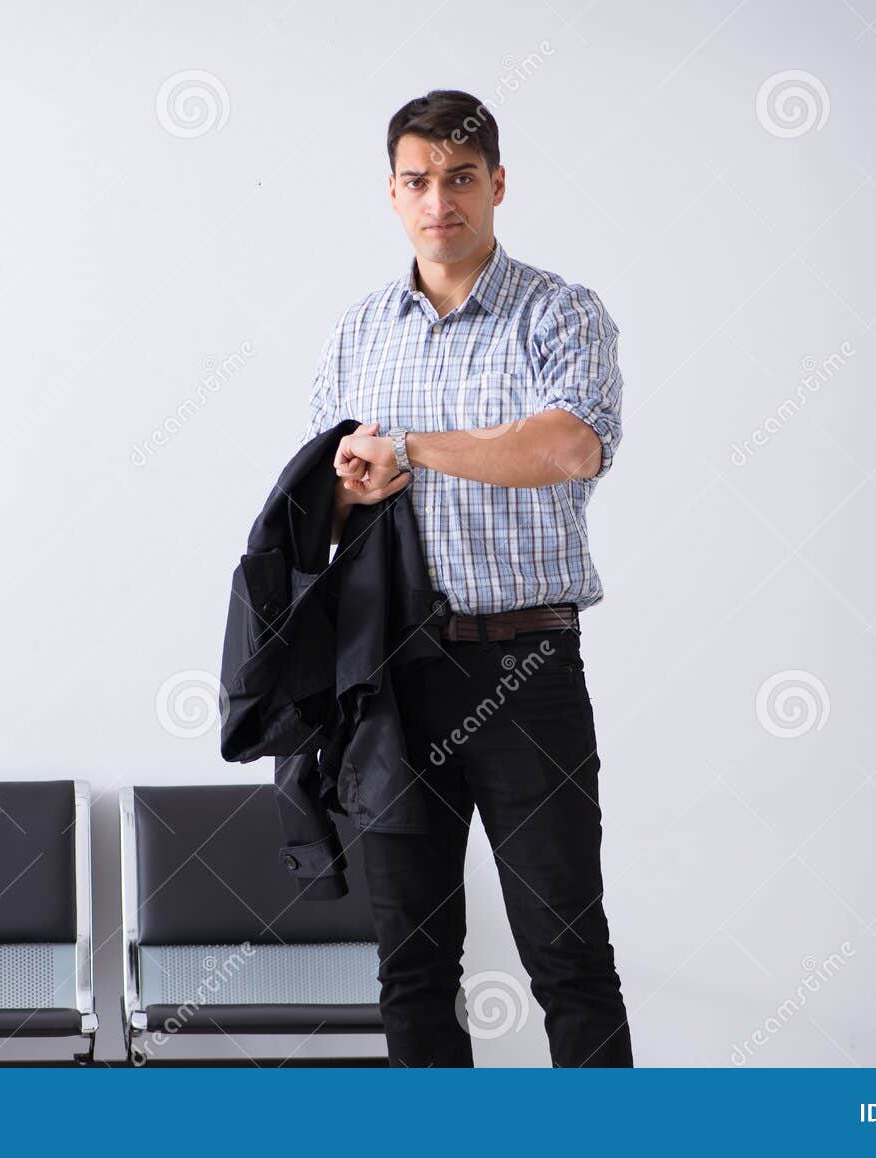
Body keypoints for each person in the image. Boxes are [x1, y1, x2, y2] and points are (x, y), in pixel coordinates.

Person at [303, 88, 633, 1067]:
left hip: (525, 669)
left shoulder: (558, 313)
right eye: (417, 181)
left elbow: (567, 446)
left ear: (495, 185)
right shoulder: (359, 329)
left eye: (458, 178)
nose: (437, 199)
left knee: (567, 954)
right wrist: (349, 488)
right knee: (411, 963)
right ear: (392, 193)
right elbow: (321, 500)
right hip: (393, 682)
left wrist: (410, 446)